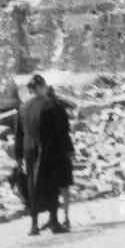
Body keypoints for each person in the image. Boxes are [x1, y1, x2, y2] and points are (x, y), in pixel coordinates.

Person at [13, 75, 68, 235]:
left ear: (30, 89)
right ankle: (54, 221)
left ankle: (34, 224)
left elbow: (18, 135)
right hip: (50, 150)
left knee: (33, 185)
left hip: (29, 151)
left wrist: (18, 155)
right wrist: (65, 150)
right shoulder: (52, 105)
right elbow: (62, 131)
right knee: (52, 185)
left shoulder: (22, 108)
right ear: (42, 86)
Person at [45, 86, 75, 232]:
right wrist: (71, 150)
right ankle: (66, 217)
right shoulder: (59, 109)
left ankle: (53, 218)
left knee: (52, 188)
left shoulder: (43, 110)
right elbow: (66, 131)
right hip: (62, 152)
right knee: (65, 187)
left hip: (49, 154)